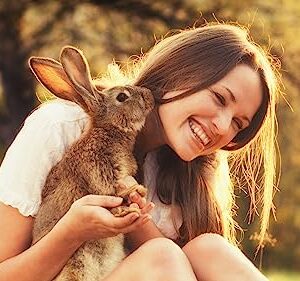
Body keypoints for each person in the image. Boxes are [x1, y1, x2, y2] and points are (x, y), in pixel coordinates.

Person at [0, 23, 280, 281]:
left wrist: (131, 214)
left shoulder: (190, 171)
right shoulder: (62, 126)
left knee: (209, 249)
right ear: (179, 73)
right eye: (219, 98)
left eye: (237, 124)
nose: (221, 127)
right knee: (162, 256)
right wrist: (72, 231)